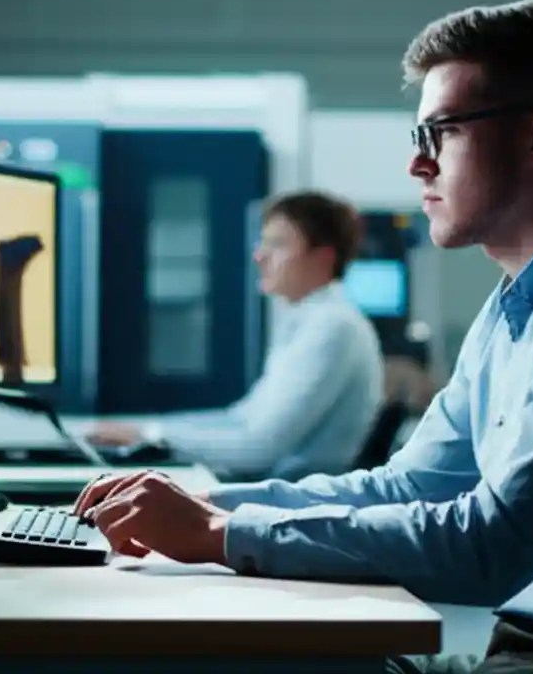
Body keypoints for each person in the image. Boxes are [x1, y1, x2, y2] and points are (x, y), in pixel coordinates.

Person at [73, 0, 533, 674]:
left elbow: (489, 545)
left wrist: (221, 536)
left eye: (440, 133)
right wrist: (202, 508)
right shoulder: (519, 300)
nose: (418, 164)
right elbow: (407, 485)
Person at [87, 191, 384, 482]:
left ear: (323, 257)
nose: (259, 256)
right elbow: (240, 419)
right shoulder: (310, 320)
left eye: (278, 244)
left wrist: (152, 436)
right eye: (263, 242)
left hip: (284, 504)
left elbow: (257, 448)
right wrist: (146, 429)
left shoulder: (332, 327)